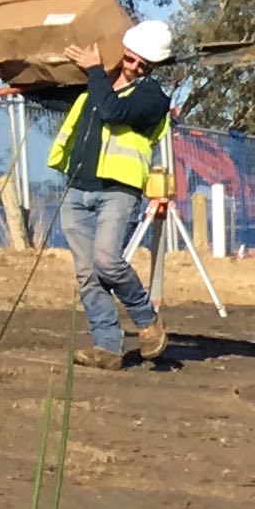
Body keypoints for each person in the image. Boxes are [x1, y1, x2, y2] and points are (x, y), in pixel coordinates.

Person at [48, 18, 178, 372]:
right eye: (132, 59)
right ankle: (107, 347)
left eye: (144, 65)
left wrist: (93, 71)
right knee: (88, 274)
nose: (135, 68)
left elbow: (112, 111)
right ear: (124, 51)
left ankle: (147, 320)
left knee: (107, 260)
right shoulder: (96, 82)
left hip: (118, 191)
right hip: (78, 188)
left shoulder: (152, 98)